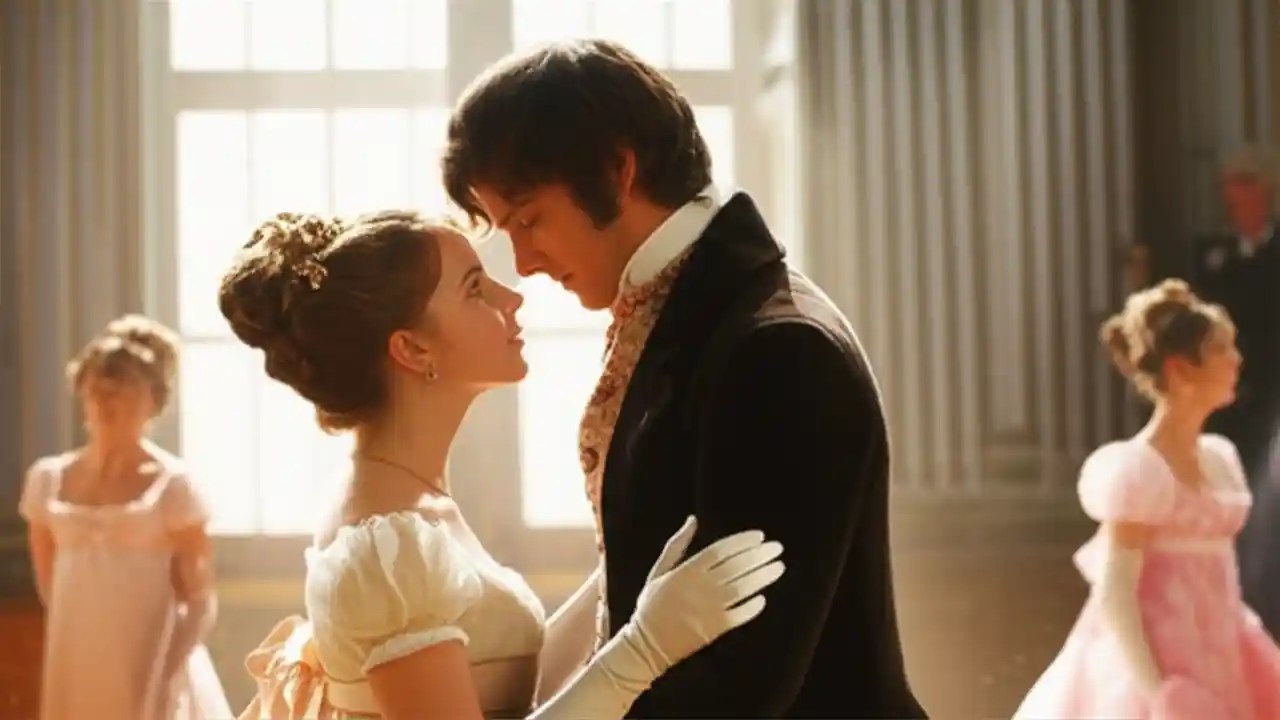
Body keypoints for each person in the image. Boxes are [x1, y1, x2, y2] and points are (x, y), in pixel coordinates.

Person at [441, 38, 924, 718]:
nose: (523, 260)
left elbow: (744, 683)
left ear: (618, 171)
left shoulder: (778, 350)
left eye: (528, 219)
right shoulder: (690, 314)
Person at [221, 211, 786, 719]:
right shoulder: (386, 544)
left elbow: (508, 678)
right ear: (413, 349)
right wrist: (642, 650)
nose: (510, 298)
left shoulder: (407, 501)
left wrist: (623, 562)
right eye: (475, 289)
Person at [1013, 279, 1280, 719]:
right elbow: (1116, 592)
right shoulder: (1140, 470)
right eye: (1220, 350)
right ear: (1179, 369)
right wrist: (1159, 693)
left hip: (1221, 655)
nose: (1236, 360)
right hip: (1157, 661)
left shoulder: (1218, 459)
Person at [18, 315, 232, 720]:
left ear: (153, 400)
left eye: (123, 394)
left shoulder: (173, 487)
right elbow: (48, 581)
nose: (107, 404)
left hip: (150, 659)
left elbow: (200, 600)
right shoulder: (47, 481)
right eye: (99, 391)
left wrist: (166, 672)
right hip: (78, 659)